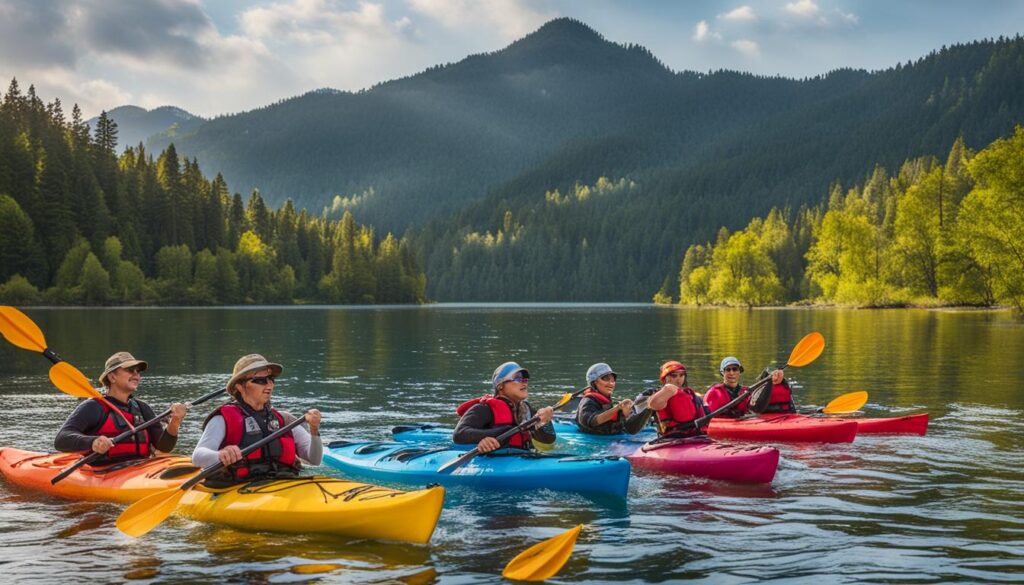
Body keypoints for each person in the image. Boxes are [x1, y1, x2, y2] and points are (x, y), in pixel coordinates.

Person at [192, 354, 321, 484]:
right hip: (239, 488)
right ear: (240, 387)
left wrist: (314, 430)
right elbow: (198, 456)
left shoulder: (283, 419)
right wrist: (220, 455)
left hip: (283, 484)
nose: (269, 385)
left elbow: (314, 460)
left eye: (270, 379)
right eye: (260, 380)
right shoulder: (223, 419)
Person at [54, 351, 187, 464]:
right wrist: (93, 442)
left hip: (140, 470)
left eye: (138, 371)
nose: (136, 375)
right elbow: (61, 439)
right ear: (112, 377)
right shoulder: (93, 407)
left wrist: (175, 423)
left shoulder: (142, 408)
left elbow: (163, 447)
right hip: (102, 473)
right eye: (130, 370)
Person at [453, 361, 555, 453]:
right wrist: (485, 438)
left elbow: (548, 441)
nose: (524, 382)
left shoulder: (527, 410)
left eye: (525, 378)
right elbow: (459, 434)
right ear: (500, 385)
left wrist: (544, 423)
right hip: (494, 462)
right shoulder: (483, 409)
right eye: (517, 378)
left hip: (522, 459)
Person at [575, 362, 675, 435]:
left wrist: (625, 411)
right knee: (651, 403)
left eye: (613, 380)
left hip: (620, 430)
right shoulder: (587, 401)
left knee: (650, 393)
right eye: (606, 379)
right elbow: (593, 421)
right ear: (594, 383)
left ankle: (668, 427)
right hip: (599, 437)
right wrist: (618, 408)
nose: (611, 383)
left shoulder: (605, 399)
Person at [703, 357, 785, 418]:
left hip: (742, 423)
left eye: (735, 369)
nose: (732, 373)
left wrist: (774, 380)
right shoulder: (714, 392)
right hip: (722, 425)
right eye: (728, 370)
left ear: (739, 372)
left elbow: (756, 407)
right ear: (722, 373)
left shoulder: (747, 391)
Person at [648, 361, 710, 438]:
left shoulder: (690, 393)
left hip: (698, 434)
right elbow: (653, 405)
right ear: (665, 378)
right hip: (675, 437)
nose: (678, 379)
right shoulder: (668, 390)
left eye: (681, 375)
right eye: (674, 376)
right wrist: (668, 389)